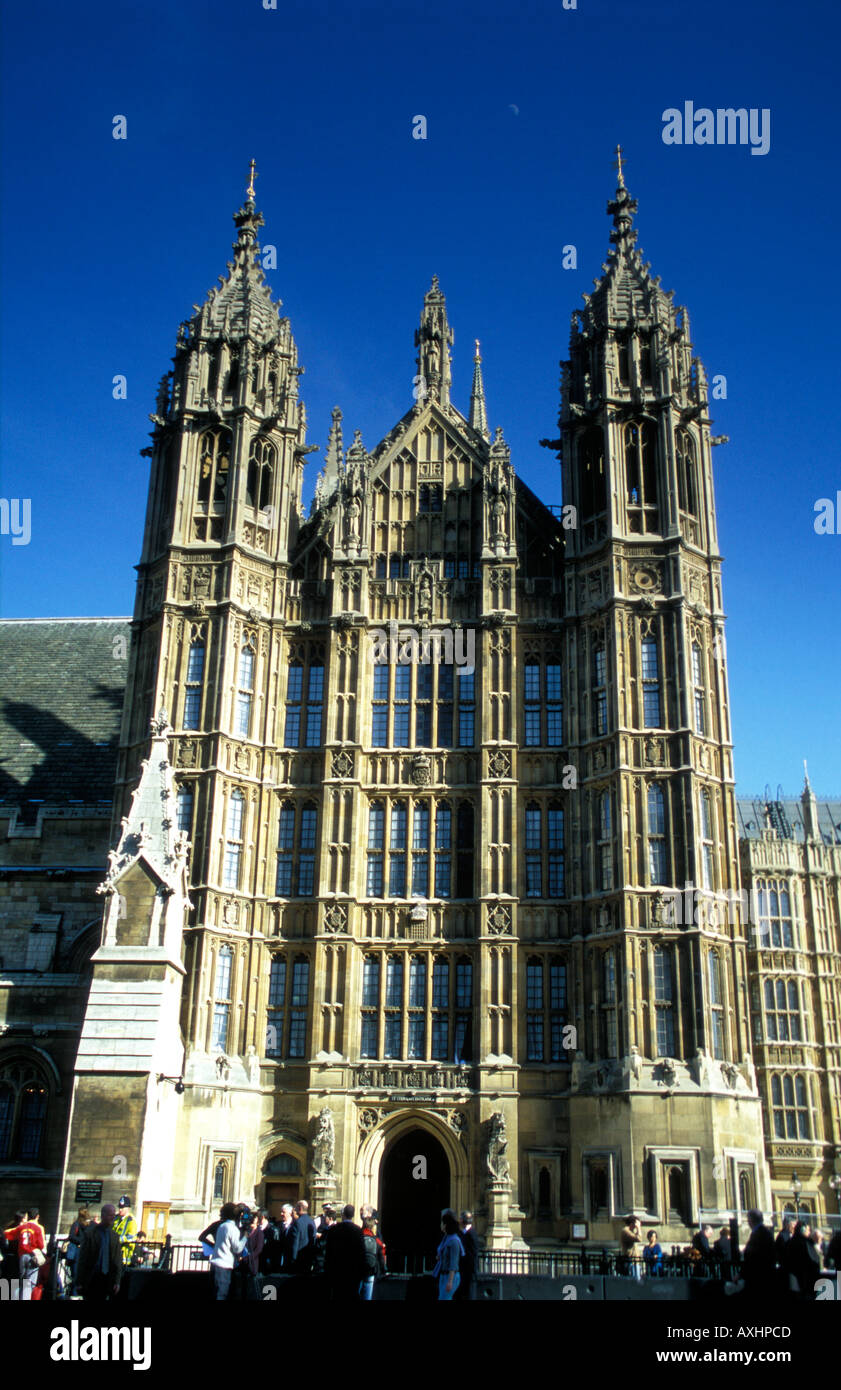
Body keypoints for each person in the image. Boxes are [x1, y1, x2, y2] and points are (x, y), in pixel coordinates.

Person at [76, 1204, 123, 1302]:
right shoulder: (90, 1234)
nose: (113, 1218)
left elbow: (117, 1261)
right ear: (103, 1215)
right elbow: (83, 1258)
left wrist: (117, 1281)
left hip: (107, 1279)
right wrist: (79, 1281)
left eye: (114, 1215)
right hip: (92, 1278)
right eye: (110, 1215)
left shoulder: (114, 1237)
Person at [324, 1204, 367, 1302]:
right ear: (352, 1215)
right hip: (353, 1272)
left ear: (342, 1214)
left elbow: (328, 1251)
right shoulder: (357, 1230)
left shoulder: (334, 1229)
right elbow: (361, 1252)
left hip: (337, 1270)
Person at [208, 1202, 248, 1301]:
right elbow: (237, 1248)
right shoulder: (232, 1228)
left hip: (216, 1263)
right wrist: (245, 1238)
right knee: (222, 1294)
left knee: (215, 1292)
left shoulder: (222, 1226)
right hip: (224, 1265)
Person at [3, 1209, 45, 1300]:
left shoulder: (12, 1228)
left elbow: (5, 1235)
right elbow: (41, 1245)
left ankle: (6, 1297)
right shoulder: (34, 1228)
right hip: (22, 1257)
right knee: (25, 1283)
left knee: (7, 1283)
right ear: (23, 1219)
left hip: (11, 1259)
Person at [741, 1209, 776, 1298]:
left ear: (751, 1220)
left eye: (748, 1219)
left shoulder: (759, 1233)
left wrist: (742, 1273)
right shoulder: (764, 1232)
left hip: (758, 1276)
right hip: (764, 1275)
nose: (748, 1222)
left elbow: (752, 1256)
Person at [432, 1210, 464, 1301]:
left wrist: (450, 1281)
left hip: (450, 1277)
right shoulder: (446, 1238)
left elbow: (453, 1263)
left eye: (442, 1223)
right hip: (443, 1275)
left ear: (446, 1225)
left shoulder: (454, 1241)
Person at [784, 1220, 820, 1296]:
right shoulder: (806, 1243)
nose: (809, 1232)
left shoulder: (789, 1242)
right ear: (803, 1230)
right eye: (808, 1230)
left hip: (793, 1281)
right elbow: (814, 1261)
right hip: (806, 1281)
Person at [65, 1206, 92, 1294]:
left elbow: (71, 1236)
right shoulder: (91, 1224)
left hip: (78, 1253)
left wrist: (80, 1242)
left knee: (76, 1277)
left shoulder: (76, 1224)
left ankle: (74, 1295)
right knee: (84, 1278)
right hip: (87, 1253)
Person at [359, 1212, 387, 1300]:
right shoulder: (376, 1240)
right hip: (370, 1271)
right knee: (367, 1297)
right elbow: (381, 1256)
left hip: (358, 1270)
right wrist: (383, 1269)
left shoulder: (358, 1237)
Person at [454, 1211, 478, 1301]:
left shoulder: (471, 1234)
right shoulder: (462, 1233)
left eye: (460, 1219)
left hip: (469, 1271)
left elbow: (473, 1254)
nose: (459, 1221)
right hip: (462, 1270)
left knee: (470, 1295)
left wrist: (473, 1271)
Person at [292, 1200, 316, 1274]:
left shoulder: (298, 1222)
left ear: (300, 1208)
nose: (295, 1209)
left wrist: (293, 1258)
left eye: (296, 1207)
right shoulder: (312, 1221)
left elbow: (295, 1241)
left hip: (299, 1257)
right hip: (309, 1257)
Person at [113, 1196, 137, 1268]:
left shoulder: (131, 1220)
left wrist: (117, 1240)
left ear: (128, 1208)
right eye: (119, 1207)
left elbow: (131, 1237)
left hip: (124, 1258)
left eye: (122, 1208)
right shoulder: (116, 1218)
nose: (120, 1210)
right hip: (114, 1255)